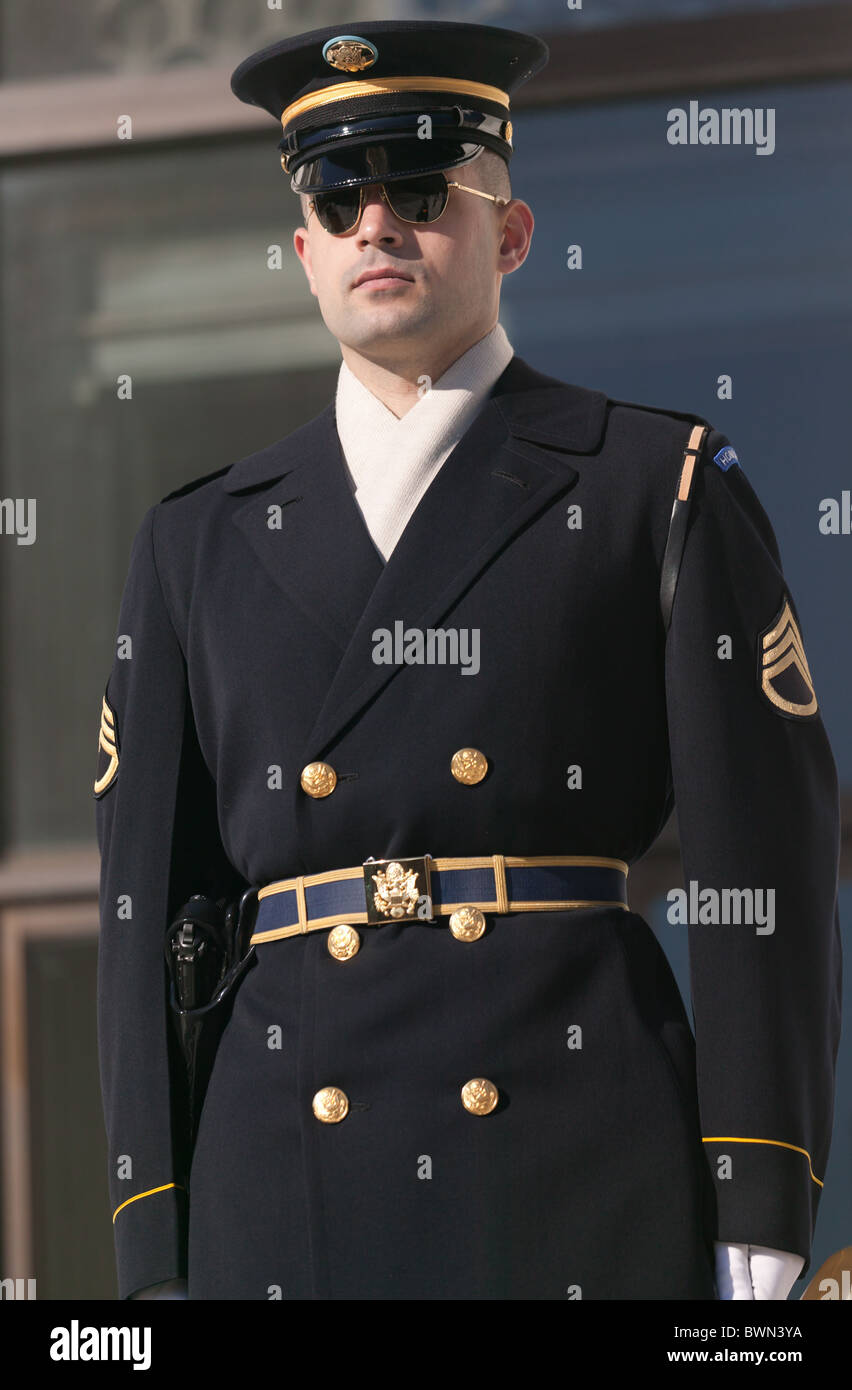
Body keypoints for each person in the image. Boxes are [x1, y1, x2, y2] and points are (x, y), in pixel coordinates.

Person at [95, 19, 842, 1301]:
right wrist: (150, 1247)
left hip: (576, 1158)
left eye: (422, 187)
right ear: (304, 254)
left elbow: (758, 873)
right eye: (341, 195)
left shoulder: (649, 485)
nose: (378, 223)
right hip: (282, 1189)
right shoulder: (194, 541)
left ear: (509, 234)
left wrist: (759, 1218)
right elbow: (141, 922)